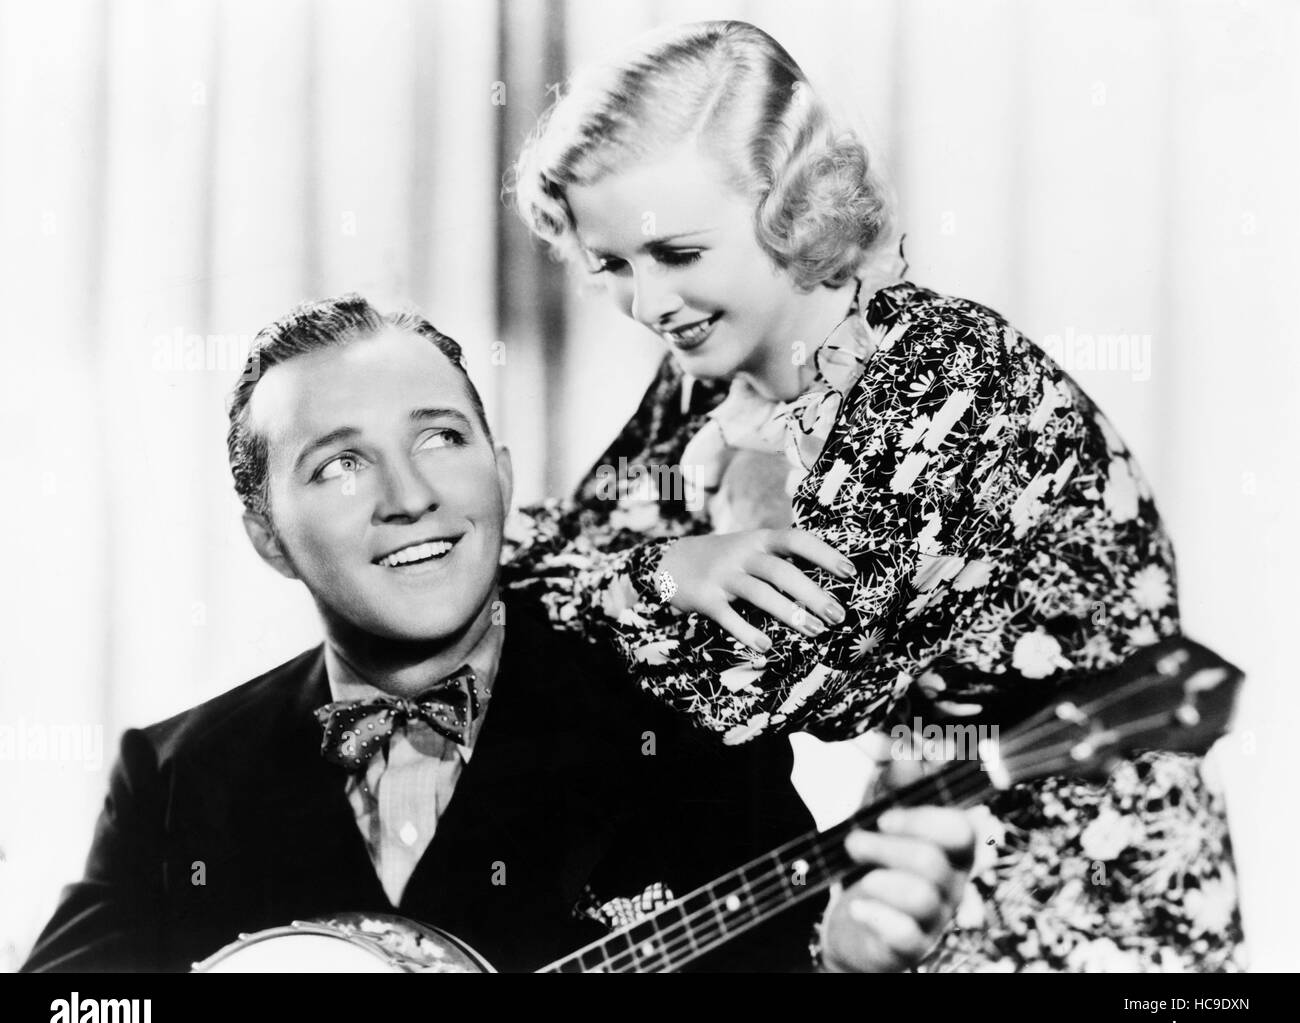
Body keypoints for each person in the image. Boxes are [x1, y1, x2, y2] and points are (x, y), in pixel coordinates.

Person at [504, 20, 1243, 971]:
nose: (648, 305)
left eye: (678, 254)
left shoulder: (951, 383)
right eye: (612, 265)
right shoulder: (709, 377)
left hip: (1083, 881)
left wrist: (642, 577)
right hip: (911, 842)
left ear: (792, 209)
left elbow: (735, 687)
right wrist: (659, 572)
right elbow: (545, 560)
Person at [22, 294, 974, 974]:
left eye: (440, 437)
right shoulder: (177, 772)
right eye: (340, 464)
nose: (411, 497)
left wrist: (847, 964)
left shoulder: (687, 723)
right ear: (268, 537)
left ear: (504, 474)